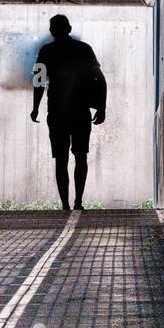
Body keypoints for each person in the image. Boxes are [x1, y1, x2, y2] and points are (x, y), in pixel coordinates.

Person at [30, 14, 106, 210]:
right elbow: (100, 79)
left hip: (56, 111)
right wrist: (102, 107)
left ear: (52, 31)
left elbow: (38, 83)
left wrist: (35, 107)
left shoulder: (46, 51)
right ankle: (78, 201)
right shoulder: (84, 49)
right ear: (69, 28)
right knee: (81, 156)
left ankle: (65, 204)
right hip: (80, 110)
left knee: (61, 158)